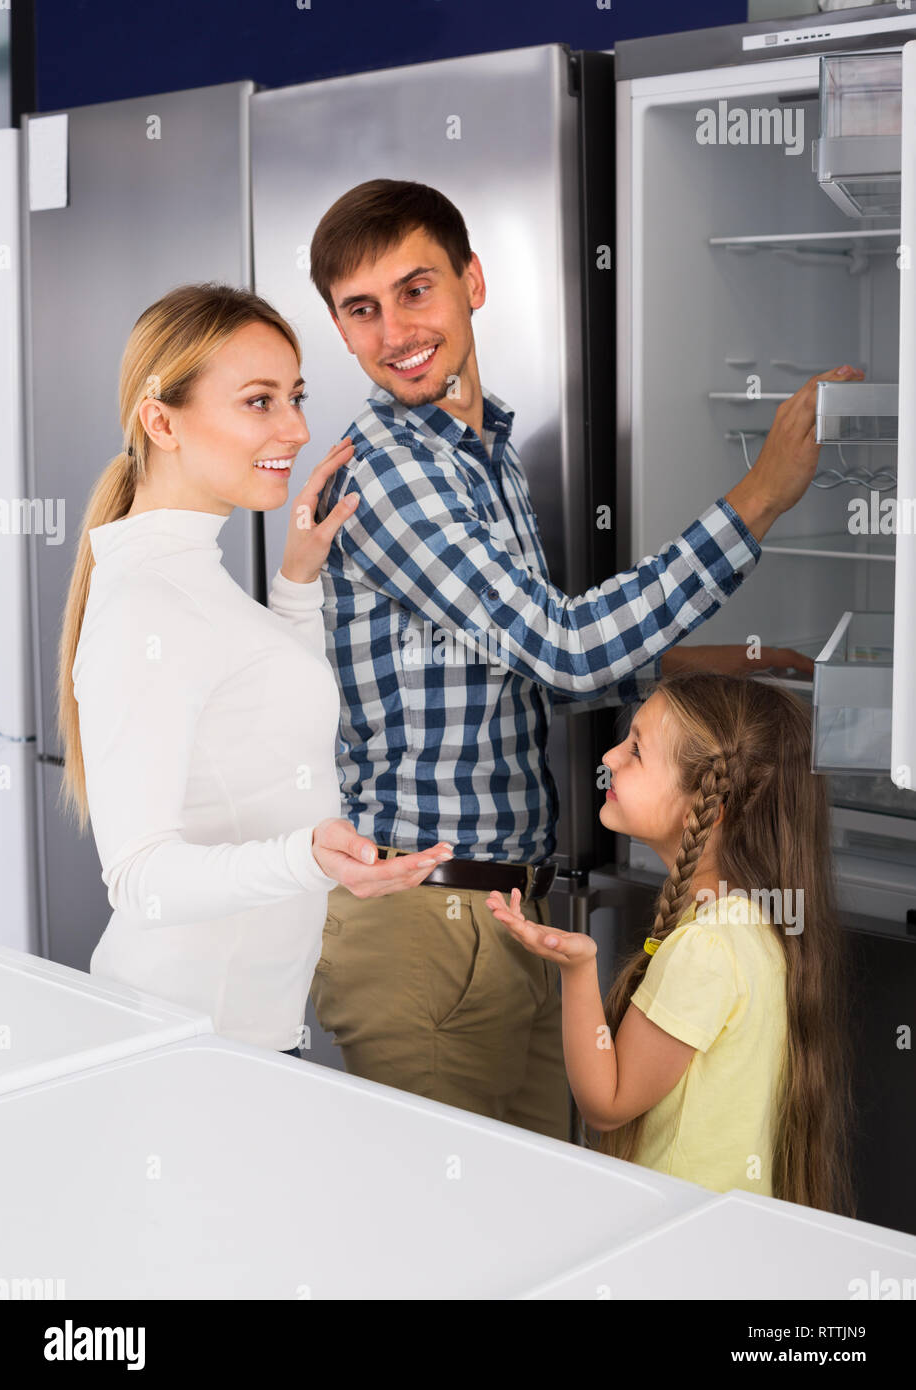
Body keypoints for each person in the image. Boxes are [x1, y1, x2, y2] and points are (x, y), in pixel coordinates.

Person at [306, 177, 863, 1140]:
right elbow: (563, 649)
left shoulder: (485, 457)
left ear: (472, 281)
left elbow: (526, 667)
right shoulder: (387, 469)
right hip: (428, 928)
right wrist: (761, 498)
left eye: (416, 289)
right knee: (449, 1263)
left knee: (528, 1247)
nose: (394, 330)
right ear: (340, 330)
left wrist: (744, 659)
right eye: (361, 309)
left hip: (507, 919)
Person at [56, 282, 453, 1053]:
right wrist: (305, 859)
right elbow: (140, 880)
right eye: (260, 402)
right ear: (161, 421)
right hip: (181, 1041)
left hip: (238, 1033)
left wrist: (298, 584)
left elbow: (265, 726)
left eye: (295, 397)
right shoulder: (146, 601)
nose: (298, 428)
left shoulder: (193, 571)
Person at [488, 671, 856, 1216]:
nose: (610, 757)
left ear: (707, 806)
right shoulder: (754, 921)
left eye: (636, 750)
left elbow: (606, 1104)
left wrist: (577, 968)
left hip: (678, 1236)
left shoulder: (707, 948)